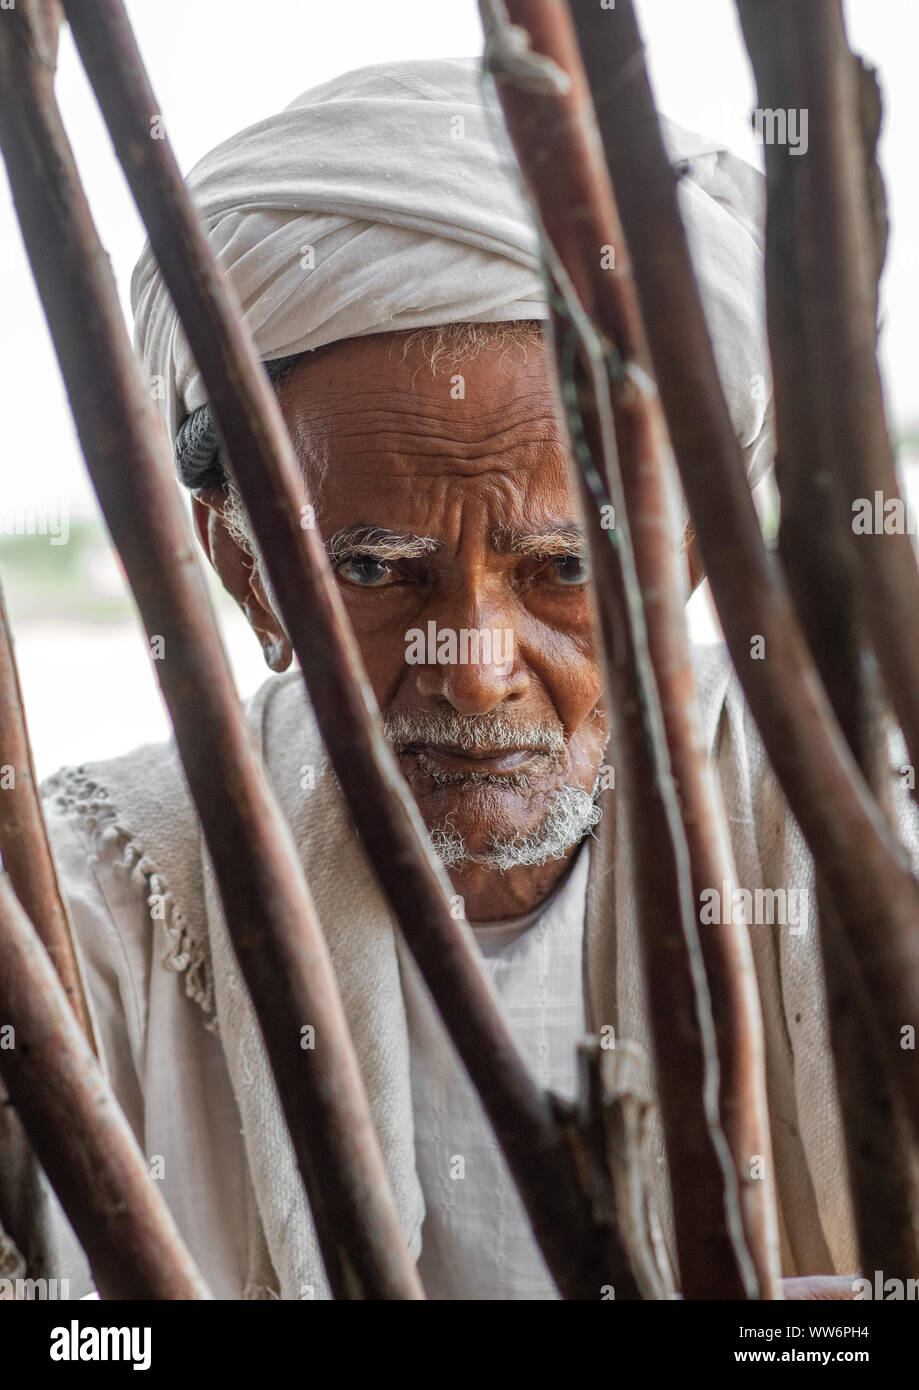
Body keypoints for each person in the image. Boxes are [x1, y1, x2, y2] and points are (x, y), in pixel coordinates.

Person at [37, 58, 900, 1300]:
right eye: (379, 570)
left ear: (690, 564)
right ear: (242, 569)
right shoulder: (87, 919)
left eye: (560, 569)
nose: (476, 669)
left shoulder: (872, 850)